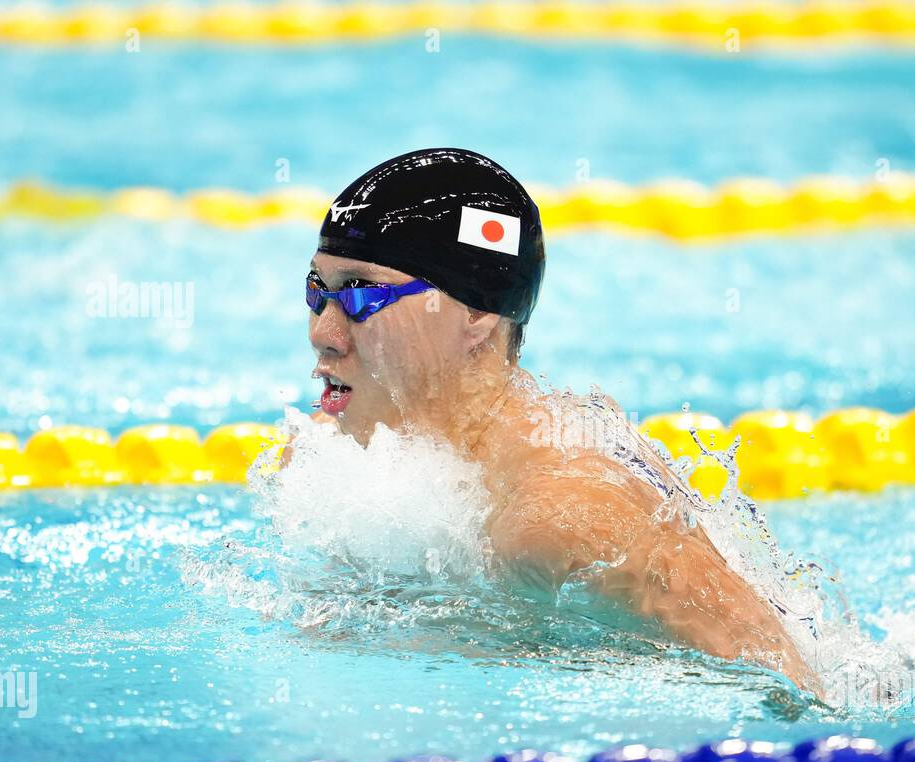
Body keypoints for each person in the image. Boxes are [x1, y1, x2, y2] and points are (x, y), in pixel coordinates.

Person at [303, 147, 819, 696]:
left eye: (361, 295)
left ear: (477, 314)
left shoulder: (563, 513)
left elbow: (785, 683)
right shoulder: (337, 456)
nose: (323, 333)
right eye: (318, 291)